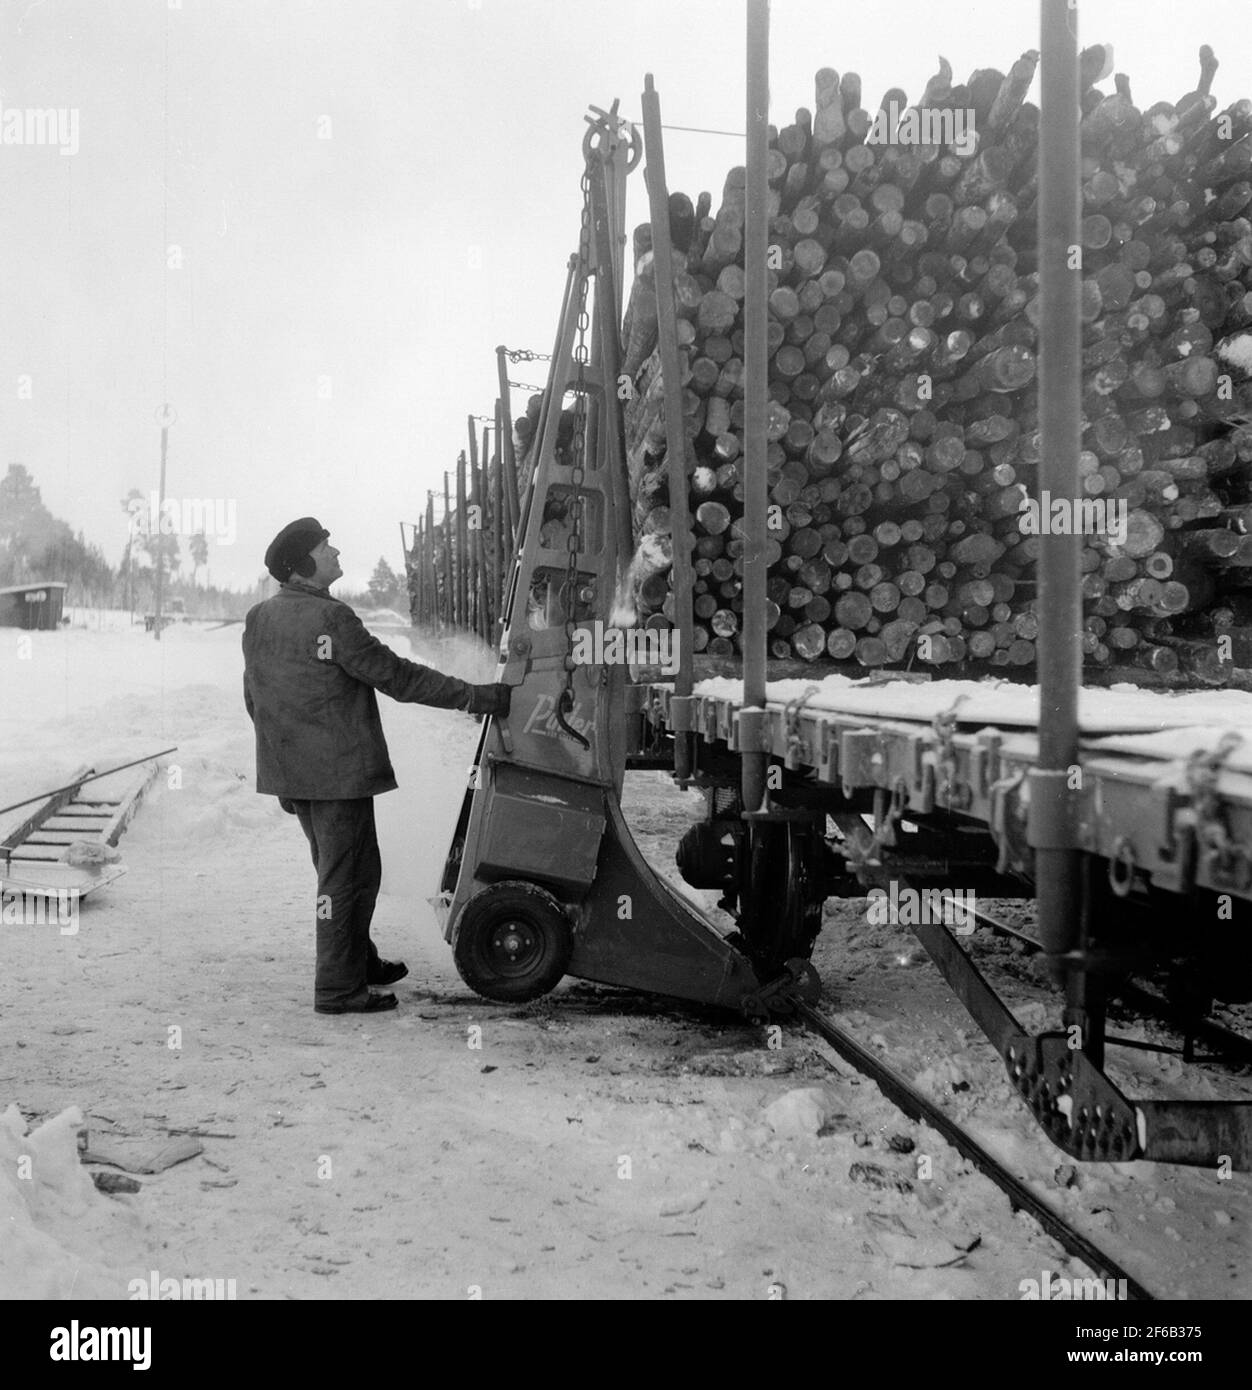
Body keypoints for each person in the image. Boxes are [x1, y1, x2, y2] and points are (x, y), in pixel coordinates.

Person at [243, 517, 509, 1014]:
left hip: (299, 774)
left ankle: (357, 964)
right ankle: (338, 990)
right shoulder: (332, 620)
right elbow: (397, 677)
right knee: (346, 880)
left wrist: (283, 776)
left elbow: (256, 700)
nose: (337, 550)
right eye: (327, 547)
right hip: (336, 776)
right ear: (303, 565)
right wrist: (475, 696)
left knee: (346, 871)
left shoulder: (258, 619)